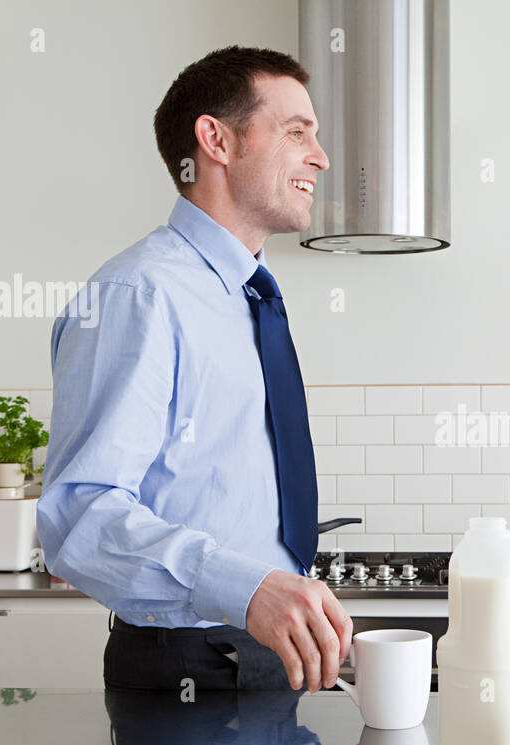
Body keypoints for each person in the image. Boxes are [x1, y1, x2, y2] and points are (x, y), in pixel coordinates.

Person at [37, 46, 351, 693]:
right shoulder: (139, 295)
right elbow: (80, 513)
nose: (319, 157)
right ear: (216, 140)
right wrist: (245, 587)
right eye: (297, 133)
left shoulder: (248, 296)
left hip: (263, 653)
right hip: (188, 665)